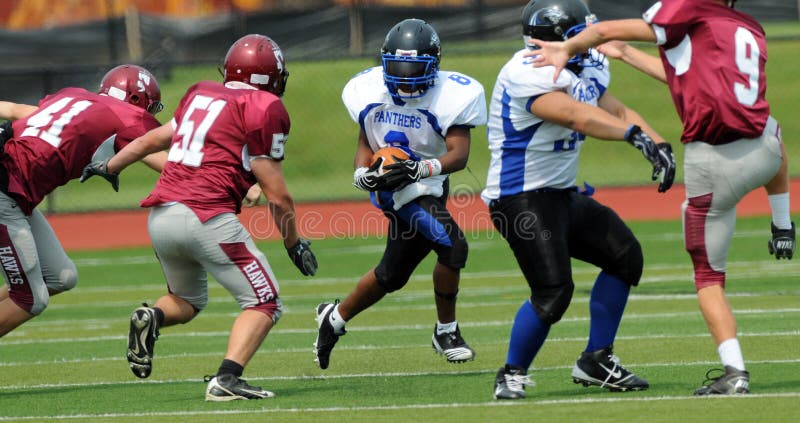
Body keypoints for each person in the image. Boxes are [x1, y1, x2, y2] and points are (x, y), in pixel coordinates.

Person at [528, 0, 794, 396]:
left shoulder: (689, 9)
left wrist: (566, 49)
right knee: (772, 129)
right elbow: (690, 79)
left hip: (714, 161)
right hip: (764, 151)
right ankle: (785, 224)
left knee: (708, 277)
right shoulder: (749, 27)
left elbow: (601, 32)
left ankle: (734, 371)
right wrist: (627, 54)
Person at [81, 34, 318, 401]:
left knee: (188, 300)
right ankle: (227, 379)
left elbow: (151, 140)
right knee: (264, 301)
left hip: (161, 217)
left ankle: (153, 317)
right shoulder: (263, 106)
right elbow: (279, 196)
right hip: (207, 217)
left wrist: (109, 165)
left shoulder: (202, 93)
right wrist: (293, 243)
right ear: (269, 76)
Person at [483, 0, 678, 400]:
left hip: (560, 194)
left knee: (625, 256)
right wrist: (630, 136)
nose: (589, 40)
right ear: (557, 38)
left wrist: (657, 141)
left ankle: (596, 359)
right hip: (518, 198)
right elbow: (573, 114)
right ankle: (511, 373)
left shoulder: (586, 66)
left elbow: (614, 108)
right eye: (580, 33)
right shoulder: (526, 70)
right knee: (553, 290)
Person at [312, 18, 487, 370]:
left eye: (414, 68)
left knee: (392, 274)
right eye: (397, 68)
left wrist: (422, 168)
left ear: (433, 65)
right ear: (384, 63)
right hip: (394, 186)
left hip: (429, 181)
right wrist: (362, 174)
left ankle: (334, 318)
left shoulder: (452, 95)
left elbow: (459, 154)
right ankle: (446, 331)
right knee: (453, 246)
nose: (405, 77)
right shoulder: (368, 90)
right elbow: (367, 136)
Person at [0, 64, 164, 337]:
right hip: (7, 187)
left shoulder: (73, 97)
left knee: (60, 276)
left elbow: (17, 109)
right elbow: (151, 151)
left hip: (16, 188)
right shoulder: (125, 116)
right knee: (31, 298)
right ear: (136, 100)